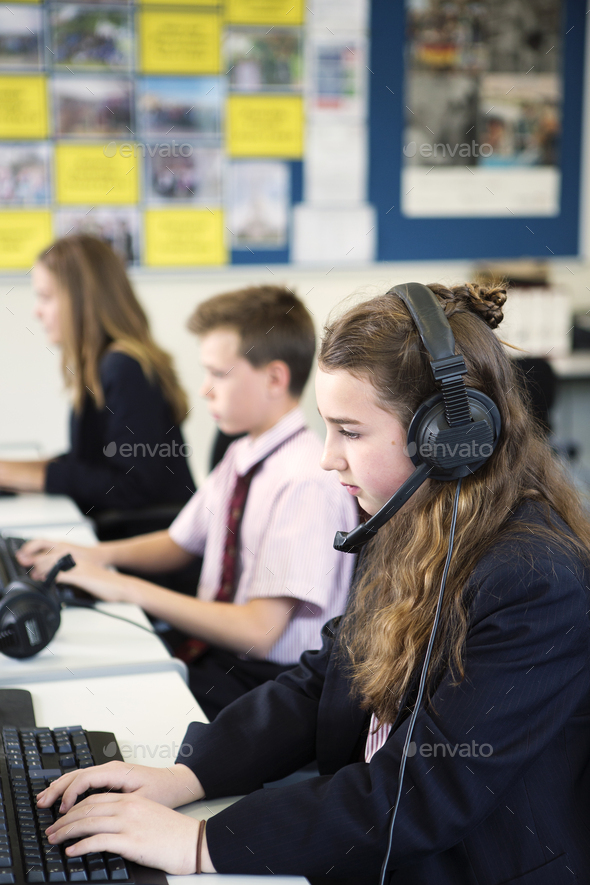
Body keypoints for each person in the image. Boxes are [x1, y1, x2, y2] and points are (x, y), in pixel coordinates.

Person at [33, 281, 590, 883]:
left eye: (349, 432)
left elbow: (429, 792)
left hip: (466, 865)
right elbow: (324, 679)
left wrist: (202, 844)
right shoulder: (413, 522)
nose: (328, 457)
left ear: (450, 439)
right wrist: (185, 775)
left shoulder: (536, 582)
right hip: (379, 839)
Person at [21, 285, 358, 719]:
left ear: (275, 378)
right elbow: (181, 542)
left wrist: (123, 587)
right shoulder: (244, 453)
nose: (204, 390)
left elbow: (259, 631)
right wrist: (90, 555)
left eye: (219, 374)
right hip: (220, 658)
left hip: (271, 684)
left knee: (110, 710)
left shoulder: (305, 481)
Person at [0, 234, 195, 517]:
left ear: (82, 300)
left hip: (138, 544)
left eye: (45, 297)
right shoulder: (106, 363)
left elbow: (131, 486)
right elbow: (92, 461)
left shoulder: (125, 368)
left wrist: (17, 474)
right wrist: (13, 472)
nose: (36, 312)